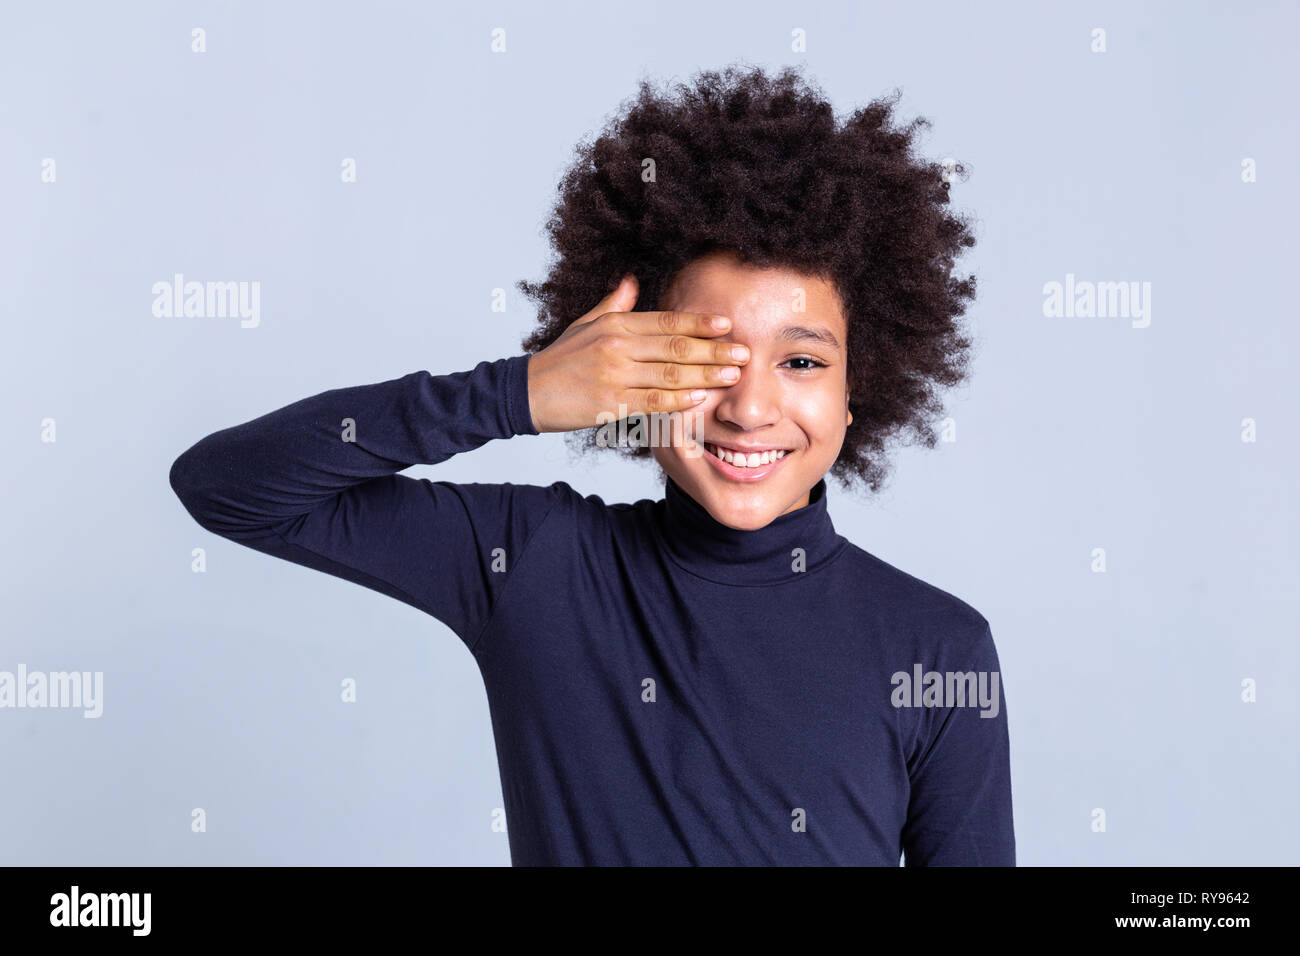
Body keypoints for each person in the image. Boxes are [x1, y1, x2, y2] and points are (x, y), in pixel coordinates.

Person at [169, 64, 1014, 866]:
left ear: (858, 384)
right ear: (630, 364)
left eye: (801, 363)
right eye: (703, 361)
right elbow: (231, 487)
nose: (749, 408)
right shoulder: (536, 563)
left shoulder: (940, 651)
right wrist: (519, 392)